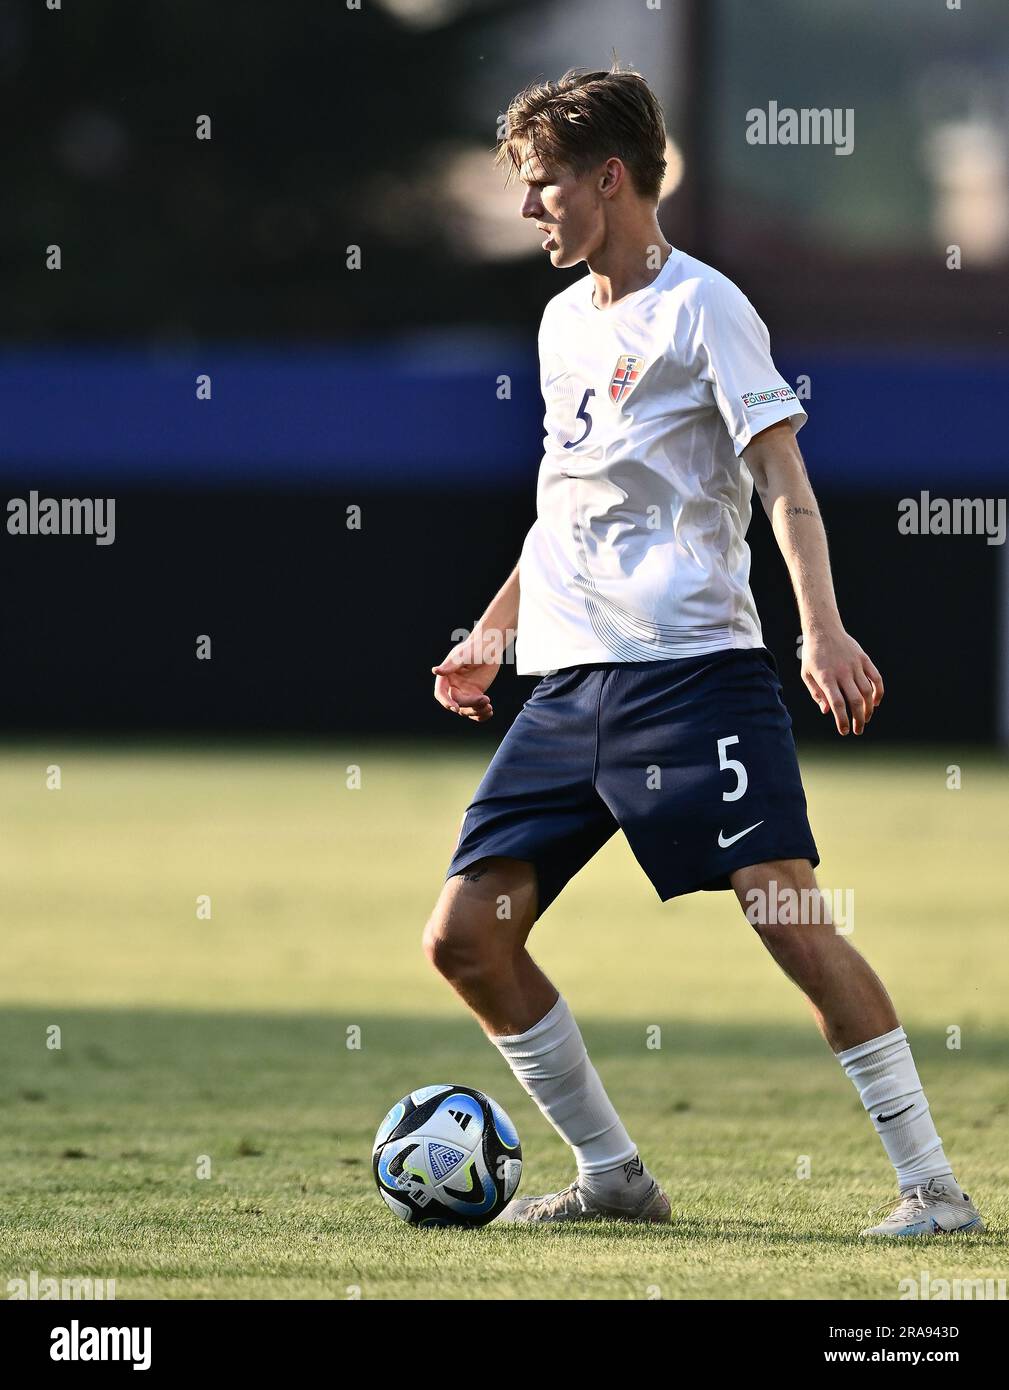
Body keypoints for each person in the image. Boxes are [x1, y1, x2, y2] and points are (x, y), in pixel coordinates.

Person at [425, 66, 982, 1236]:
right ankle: (614, 1176)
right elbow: (563, 502)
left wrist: (819, 628)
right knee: (467, 938)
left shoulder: (705, 308)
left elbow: (784, 481)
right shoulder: (560, 322)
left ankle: (933, 1188)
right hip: (569, 686)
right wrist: (495, 627)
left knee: (787, 912)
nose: (529, 208)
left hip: (691, 675)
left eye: (542, 185)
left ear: (609, 178)